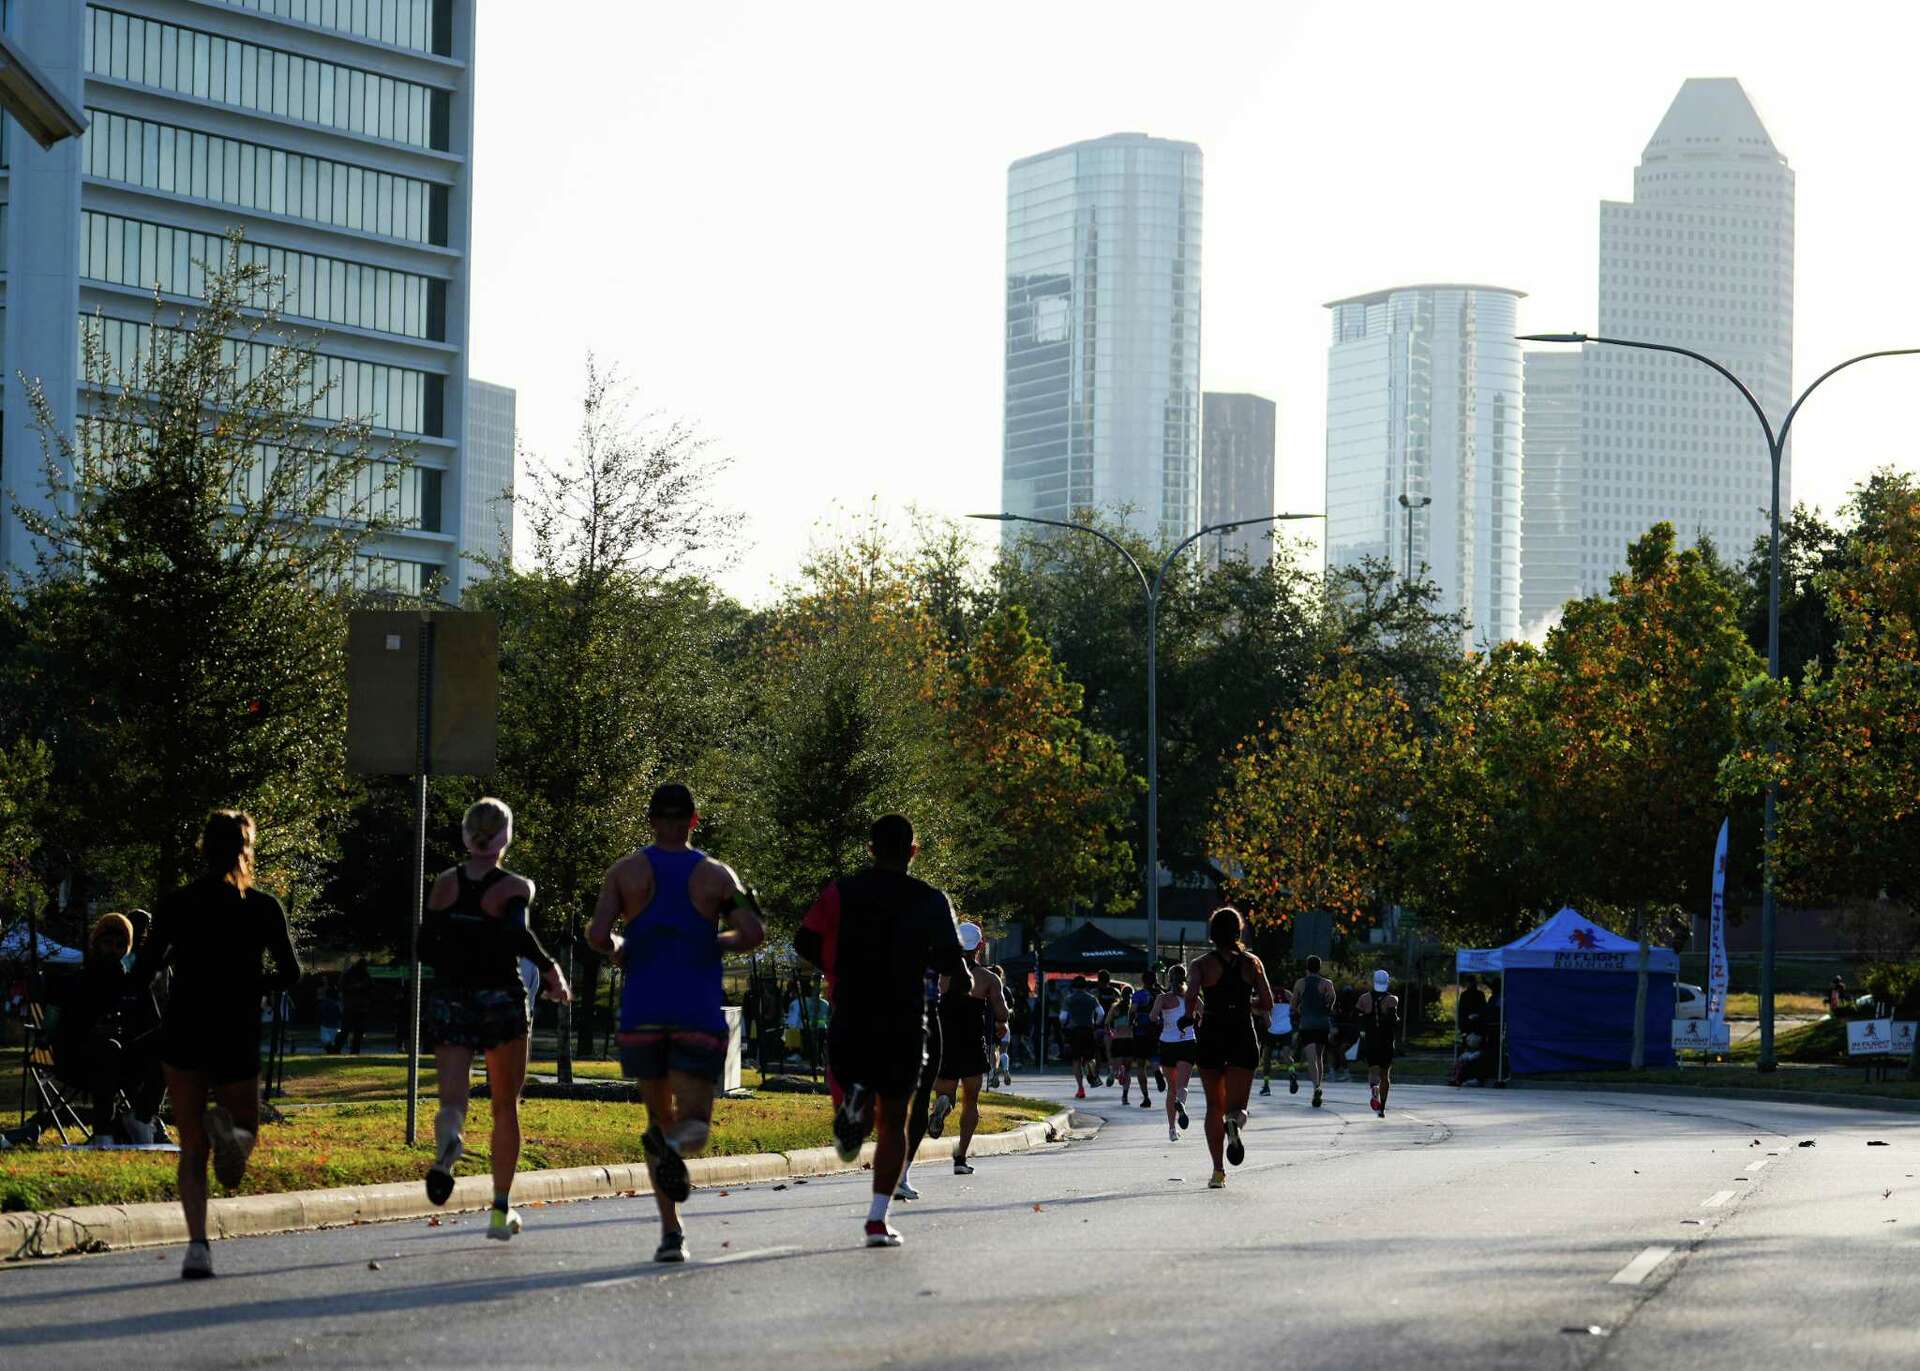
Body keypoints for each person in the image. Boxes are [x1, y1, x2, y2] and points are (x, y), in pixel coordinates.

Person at [588, 783, 764, 1263]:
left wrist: (623, 946)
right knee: (695, 1127)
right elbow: (753, 931)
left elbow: (598, 935)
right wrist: (714, 942)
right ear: (694, 820)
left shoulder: (624, 873)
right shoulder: (716, 876)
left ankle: (671, 1233)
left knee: (657, 1117)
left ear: (650, 820)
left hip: (642, 1013)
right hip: (695, 1014)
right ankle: (669, 1147)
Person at [133, 810, 300, 1280]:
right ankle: (235, 1139)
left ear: (202, 849)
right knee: (246, 1125)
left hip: (184, 1025)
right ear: (247, 850)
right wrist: (254, 984)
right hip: (235, 1026)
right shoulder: (263, 906)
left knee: (191, 1144)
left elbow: (142, 971)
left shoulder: (176, 903)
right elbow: (291, 972)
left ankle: (197, 1249)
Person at [793, 814, 966, 1249]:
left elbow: (804, 939)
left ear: (871, 849)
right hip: (904, 1017)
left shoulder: (841, 892)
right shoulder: (931, 899)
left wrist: (836, 967)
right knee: (893, 1119)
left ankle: (854, 1103)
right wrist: (927, 957)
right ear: (913, 851)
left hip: (851, 1010)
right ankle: (876, 1220)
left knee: (858, 1092)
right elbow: (951, 960)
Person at [418, 798, 570, 1241]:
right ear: (506, 837)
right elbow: (516, 933)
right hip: (500, 998)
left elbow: (424, 944)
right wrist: (550, 969)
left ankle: (448, 1144)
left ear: (466, 836)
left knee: (452, 1101)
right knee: (505, 1105)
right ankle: (501, 1210)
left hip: (451, 997)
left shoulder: (444, 884)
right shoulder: (516, 887)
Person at [54, 912, 165, 1139]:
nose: (113, 949)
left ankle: (142, 1116)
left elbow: (153, 1024)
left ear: (126, 949)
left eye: (120, 945)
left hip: (127, 1057)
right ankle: (103, 1131)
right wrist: (93, 1031)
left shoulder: (134, 985)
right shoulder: (78, 982)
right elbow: (63, 1032)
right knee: (107, 1047)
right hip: (81, 1061)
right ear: (96, 943)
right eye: (108, 943)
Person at [1186, 909, 1274, 1189]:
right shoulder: (1252, 963)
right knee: (1238, 1107)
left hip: (1212, 1034)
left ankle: (1218, 1172)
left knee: (1214, 1106)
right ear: (1239, 931)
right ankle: (1234, 1123)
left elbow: (1191, 996)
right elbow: (1268, 1002)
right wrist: (1249, 1004)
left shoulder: (1201, 964)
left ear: (1212, 933)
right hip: (1241, 1034)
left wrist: (1189, 1017)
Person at [926, 922, 1008, 1176]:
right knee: (971, 1101)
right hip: (972, 1044)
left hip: (944, 1042)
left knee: (946, 1093)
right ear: (980, 946)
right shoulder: (988, 978)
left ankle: (942, 1105)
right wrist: (1002, 1023)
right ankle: (960, 1158)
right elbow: (1002, 1012)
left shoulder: (939, 974)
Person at [1151, 966, 1196, 1143]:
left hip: (1167, 1044)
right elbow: (1204, 1013)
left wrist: (1160, 1017)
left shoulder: (1162, 998)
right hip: (1187, 1043)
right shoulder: (1192, 996)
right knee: (1182, 1085)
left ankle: (1172, 1129)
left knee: (1171, 1088)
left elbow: (1153, 1017)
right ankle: (1181, 1103)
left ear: (1169, 979)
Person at [1291, 955, 1336, 1109]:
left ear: (1307, 967)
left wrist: (1299, 1011)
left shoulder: (1300, 983)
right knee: (1319, 1057)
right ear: (1319, 967)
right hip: (1323, 1025)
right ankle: (1318, 1086)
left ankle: (1316, 1087)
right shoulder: (1327, 983)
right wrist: (1325, 1008)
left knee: (1311, 1059)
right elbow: (1331, 1001)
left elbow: (1293, 1005)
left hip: (1307, 1025)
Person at [1357, 970, 1399, 1116]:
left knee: (1373, 1070)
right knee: (1385, 1074)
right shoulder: (1392, 999)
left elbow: (1358, 1019)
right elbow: (1393, 1021)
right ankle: (1382, 1107)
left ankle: (1374, 1087)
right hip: (1386, 1040)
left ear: (1373, 981)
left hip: (1371, 1039)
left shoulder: (1364, 999)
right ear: (1388, 982)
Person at [1060, 976, 1104, 1099]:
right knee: (1089, 1057)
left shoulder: (1069, 999)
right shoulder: (1092, 999)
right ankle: (1092, 1075)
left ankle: (1080, 1088)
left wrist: (1065, 1025)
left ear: (1073, 987)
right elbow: (1101, 1013)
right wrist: (1095, 1023)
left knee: (1076, 1060)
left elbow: (1062, 1017)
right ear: (1085, 986)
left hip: (1074, 1032)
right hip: (1088, 1030)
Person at [1125, 970, 1159, 1110]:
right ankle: (1157, 1071)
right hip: (1157, 1031)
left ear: (1143, 981)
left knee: (1141, 1064)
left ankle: (1146, 1097)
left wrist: (1130, 1023)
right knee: (1155, 1057)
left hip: (1141, 1032)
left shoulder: (1138, 995)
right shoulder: (1160, 994)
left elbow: (1133, 1011)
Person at [1092, 969, 1127, 1087]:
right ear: (1109, 980)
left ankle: (1096, 1073)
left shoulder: (1094, 992)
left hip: (1098, 1025)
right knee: (1110, 1050)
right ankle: (1111, 1069)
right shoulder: (1115, 992)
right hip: (1113, 1026)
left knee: (1096, 1050)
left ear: (1098, 979)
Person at [1260, 981, 1295, 1097]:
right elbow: (1295, 1008)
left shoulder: (1268, 994)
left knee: (1266, 1057)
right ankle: (1292, 1073)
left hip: (1272, 1030)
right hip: (1286, 1029)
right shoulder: (1288, 994)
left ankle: (1266, 1085)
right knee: (1287, 1055)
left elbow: (1264, 1012)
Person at [340, 959, 373, 1055]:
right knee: (349, 1030)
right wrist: (356, 987)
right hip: (354, 1006)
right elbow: (343, 987)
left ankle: (353, 1050)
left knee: (354, 1030)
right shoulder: (353, 975)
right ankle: (349, 1049)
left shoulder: (362, 975)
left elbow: (370, 987)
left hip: (356, 1006)